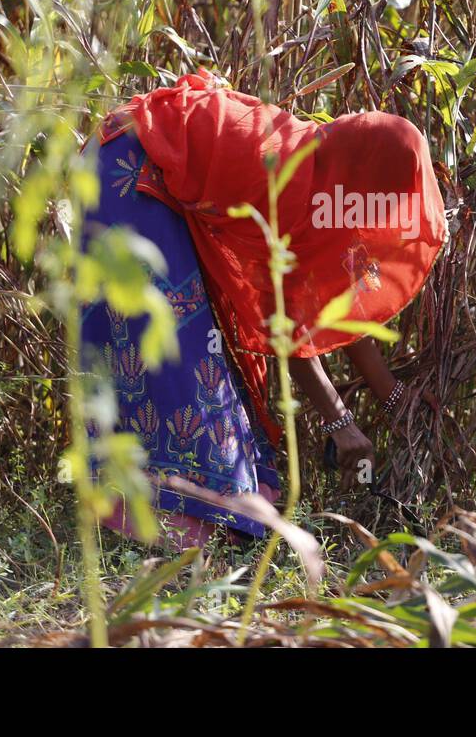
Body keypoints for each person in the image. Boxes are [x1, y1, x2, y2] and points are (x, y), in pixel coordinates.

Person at [79, 69, 446, 549]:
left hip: (152, 167)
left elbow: (341, 310)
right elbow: (285, 326)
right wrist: (340, 423)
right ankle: (180, 523)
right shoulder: (297, 190)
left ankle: (224, 510)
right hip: (130, 167)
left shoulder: (334, 190)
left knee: (204, 343)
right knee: (180, 346)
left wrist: (394, 396)